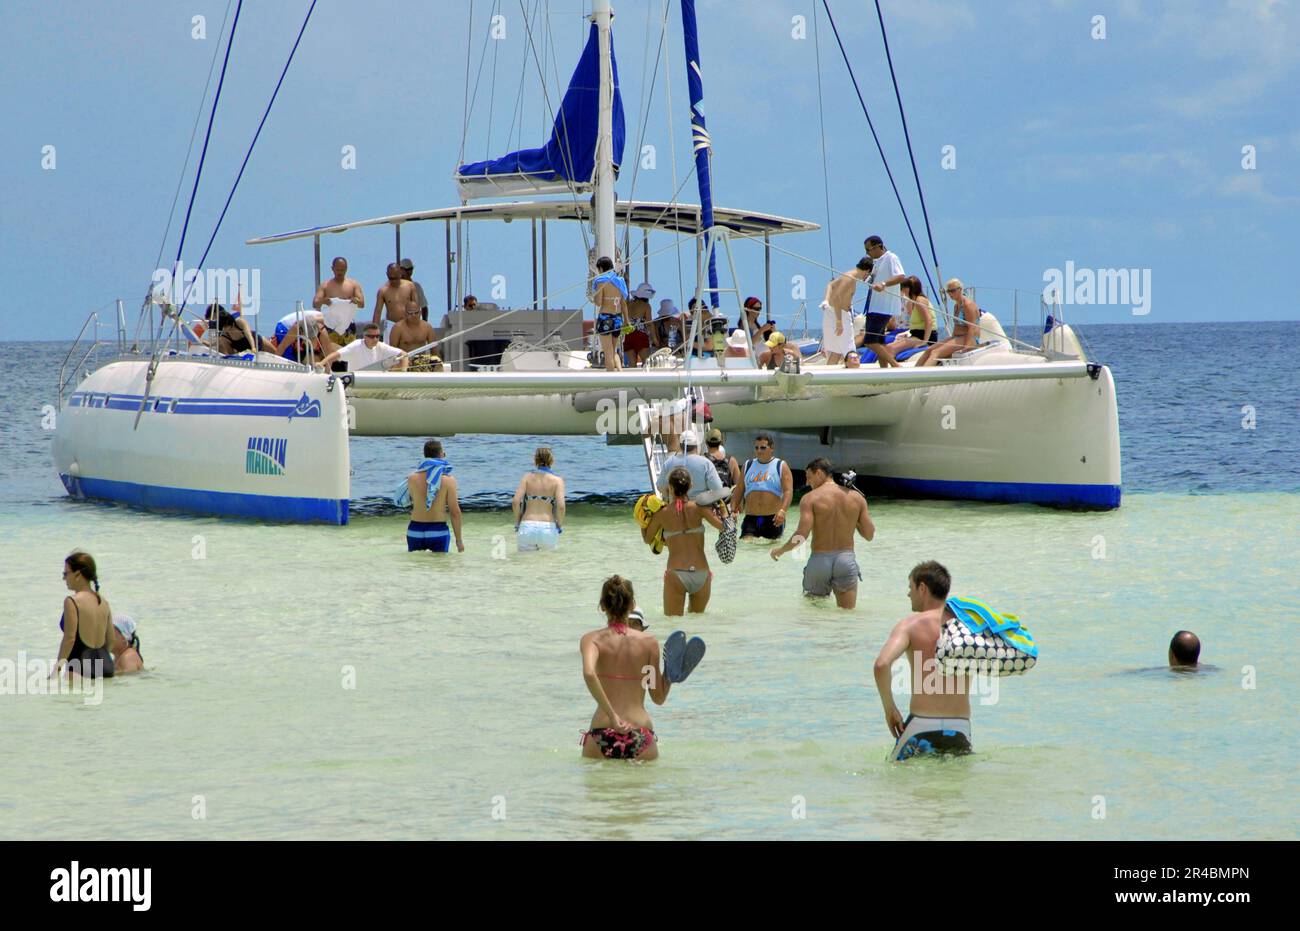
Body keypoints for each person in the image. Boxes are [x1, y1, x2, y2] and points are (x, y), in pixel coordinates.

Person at [580, 576, 703, 760]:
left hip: (601, 734)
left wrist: (613, 716)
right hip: (641, 736)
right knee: (639, 789)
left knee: (601, 788)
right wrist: (669, 676)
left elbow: (589, 673)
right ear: (632, 605)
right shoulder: (649, 643)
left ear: (602, 606)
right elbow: (658, 697)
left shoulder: (591, 640)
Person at [872, 561, 975, 761]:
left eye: (910, 587)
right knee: (954, 789)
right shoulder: (968, 625)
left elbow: (881, 665)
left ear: (922, 588)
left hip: (921, 725)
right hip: (960, 726)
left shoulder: (910, 625)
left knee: (903, 787)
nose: (908, 594)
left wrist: (890, 709)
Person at [769, 458, 874, 608]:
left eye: (808, 477)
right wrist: (854, 516)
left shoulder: (810, 499)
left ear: (819, 473)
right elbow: (869, 535)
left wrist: (781, 550)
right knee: (847, 616)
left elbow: (801, 535)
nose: (807, 482)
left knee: (814, 620)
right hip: (846, 560)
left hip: (820, 561)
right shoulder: (857, 498)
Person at [644, 468, 726, 615]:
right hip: (702, 572)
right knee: (697, 624)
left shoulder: (661, 514)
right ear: (690, 486)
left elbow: (647, 539)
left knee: (672, 624)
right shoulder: (700, 508)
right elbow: (723, 527)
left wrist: (642, 522)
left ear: (670, 487)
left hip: (676, 573)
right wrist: (725, 513)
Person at [55, 552, 121, 679]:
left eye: (66, 573)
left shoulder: (72, 601)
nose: (64, 578)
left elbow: (70, 639)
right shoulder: (103, 602)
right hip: (106, 666)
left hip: (79, 668)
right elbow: (111, 640)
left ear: (78, 574)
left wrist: (56, 670)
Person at [396, 439, 463, 554]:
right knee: (439, 569)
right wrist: (459, 540)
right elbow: (455, 512)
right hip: (437, 531)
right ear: (442, 454)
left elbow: (408, 501)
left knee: (415, 569)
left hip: (415, 530)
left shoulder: (411, 478)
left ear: (425, 455)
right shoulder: (448, 480)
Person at [734, 432, 793, 540]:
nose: (759, 451)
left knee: (769, 552)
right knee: (746, 547)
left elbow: (788, 491)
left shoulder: (780, 465)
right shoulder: (748, 465)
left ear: (771, 448)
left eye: (763, 448)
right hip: (751, 518)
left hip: (773, 518)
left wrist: (783, 511)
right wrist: (732, 510)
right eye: (756, 448)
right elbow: (739, 489)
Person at [820, 257, 873, 365]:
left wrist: (826, 299)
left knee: (836, 351)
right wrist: (839, 321)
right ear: (867, 271)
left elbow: (830, 285)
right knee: (850, 350)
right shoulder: (850, 278)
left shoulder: (848, 275)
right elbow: (836, 298)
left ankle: (829, 376)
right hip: (840, 315)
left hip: (834, 313)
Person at [863, 235, 906, 368]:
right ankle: (884, 370)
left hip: (883, 307)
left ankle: (895, 365)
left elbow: (900, 276)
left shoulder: (891, 258)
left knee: (870, 341)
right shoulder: (876, 262)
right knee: (880, 341)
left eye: (868, 250)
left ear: (878, 247)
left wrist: (883, 284)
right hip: (873, 306)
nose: (867, 254)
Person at [917, 279, 981, 366]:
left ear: (960, 289)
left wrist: (967, 347)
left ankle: (923, 376)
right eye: (948, 291)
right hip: (958, 337)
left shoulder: (968, 305)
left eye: (953, 291)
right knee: (929, 350)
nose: (950, 294)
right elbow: (957, 326)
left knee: (936, 352)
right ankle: (911, 374)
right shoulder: (956, 306)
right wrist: (950, 340)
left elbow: (972, 328)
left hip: (969, 338)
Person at [512, 447, 565, 551]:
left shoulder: (526, 478)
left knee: (525, 564)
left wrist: (518, 521)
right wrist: (559, 524)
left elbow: (515, 502)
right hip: (548, 527)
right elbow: (561, 507)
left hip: (527, 525)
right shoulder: (557, 481)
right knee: (549, 564)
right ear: (552, 461)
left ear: (535, 460)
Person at [655, 430, 727, 505]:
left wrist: (669, 498)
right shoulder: (706, 463)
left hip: (677, 509)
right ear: (696, 445)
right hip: (700, 510)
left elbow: (660, 487)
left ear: (680, 446)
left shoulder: (669, 462)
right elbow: (718, 488)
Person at [312, 256, 365, 342]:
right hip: (330, 325)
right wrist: (324, 301)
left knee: (349, 352)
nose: (340, 272)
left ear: (346, 269)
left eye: (342, 270)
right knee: (330, 352)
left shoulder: (353, 284)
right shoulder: (325, 285)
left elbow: (362, 304)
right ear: (332, 269)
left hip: (348, 325)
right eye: (337, 269)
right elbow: (315, 303)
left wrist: (356, 301)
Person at [317, 323, 408, 371]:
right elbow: (335, 355)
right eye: (372, 337)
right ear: (364, 337)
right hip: (357, 383)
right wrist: (321, 363)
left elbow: (403, 354)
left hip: (376, 384)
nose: (375, 339)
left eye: (377, 336)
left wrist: (403, 371)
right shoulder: (356, 345)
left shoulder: (381, 346)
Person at [591, 256, 627, 372]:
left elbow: (598, 302)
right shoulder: (620, 281)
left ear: (601, 268)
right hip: (617, 318)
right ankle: (620, 373)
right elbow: (623, 304)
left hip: (605, 317)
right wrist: (627, 320)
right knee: (614, 350)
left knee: (607, 351)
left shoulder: (600, 282)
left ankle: (612, 379)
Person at [887, 276, 938, 355]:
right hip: (915, 335)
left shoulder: (920, 300)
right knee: (888, 347)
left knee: (890, 348)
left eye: (904, 287)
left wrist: (925, 341)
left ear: (910, 288)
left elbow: (929, 321)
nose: (902, 290)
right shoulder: (912, 303)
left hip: (924, 336)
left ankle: (894, 366)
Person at [372, 263, 421, 340]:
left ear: (400, 273)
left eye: (396, 278)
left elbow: (416, 306)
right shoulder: (383, 290)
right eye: (391, 278)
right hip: (391, 325)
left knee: (410, 350)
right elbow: (378, 312)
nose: (394, 281)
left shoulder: (410, 286)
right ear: (387, 274)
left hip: (408, 324)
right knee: (390, 351)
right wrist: (374, 331)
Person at [623, 283, 656, 365]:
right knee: (646, 362)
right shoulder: (646, 306)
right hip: (640, 335)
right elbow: (649, 323)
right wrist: (655, 339)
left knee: (632, 363)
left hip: (628, 335)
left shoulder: (628, 304)